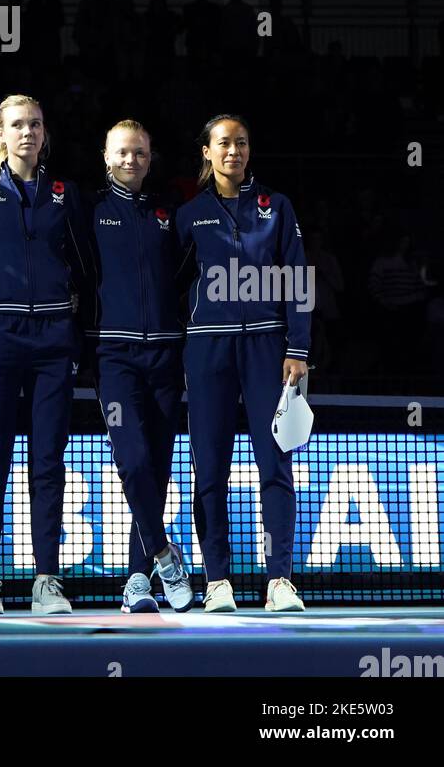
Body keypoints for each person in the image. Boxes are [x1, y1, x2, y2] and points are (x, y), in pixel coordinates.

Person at [0, 94, 90, 616]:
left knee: (48, 461)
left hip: (54, 338)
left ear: (44, 133)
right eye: (17, 124)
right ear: (0, 132)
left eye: (35, 124)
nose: (27, 132)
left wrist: (77, 311)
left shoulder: (64, 193)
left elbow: (84, 261)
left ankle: (46, 580)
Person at [176, 114, 309, 613]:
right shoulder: (189, 215)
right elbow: (170, 286)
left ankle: (279, 580)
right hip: (207, 349)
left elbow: (297, 276)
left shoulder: (277, 207)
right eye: (224, 143)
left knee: (274, 464)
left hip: (268, 350)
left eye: (242, 143)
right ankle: (217, 581)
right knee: (210, 468)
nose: (234, 151)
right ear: (207, 152)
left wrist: (299, 347)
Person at [85, 120, 193, 613]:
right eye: (123, 152)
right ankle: (165, 557)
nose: (132, 160)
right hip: (114, 357)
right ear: (107, 157)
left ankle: (136, 579)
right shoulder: (89, 211)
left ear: (150, 158)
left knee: (157, 467)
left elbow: (187, 274)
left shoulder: (169, 213)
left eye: (140, 153)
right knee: (131, 461)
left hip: (166, 356)